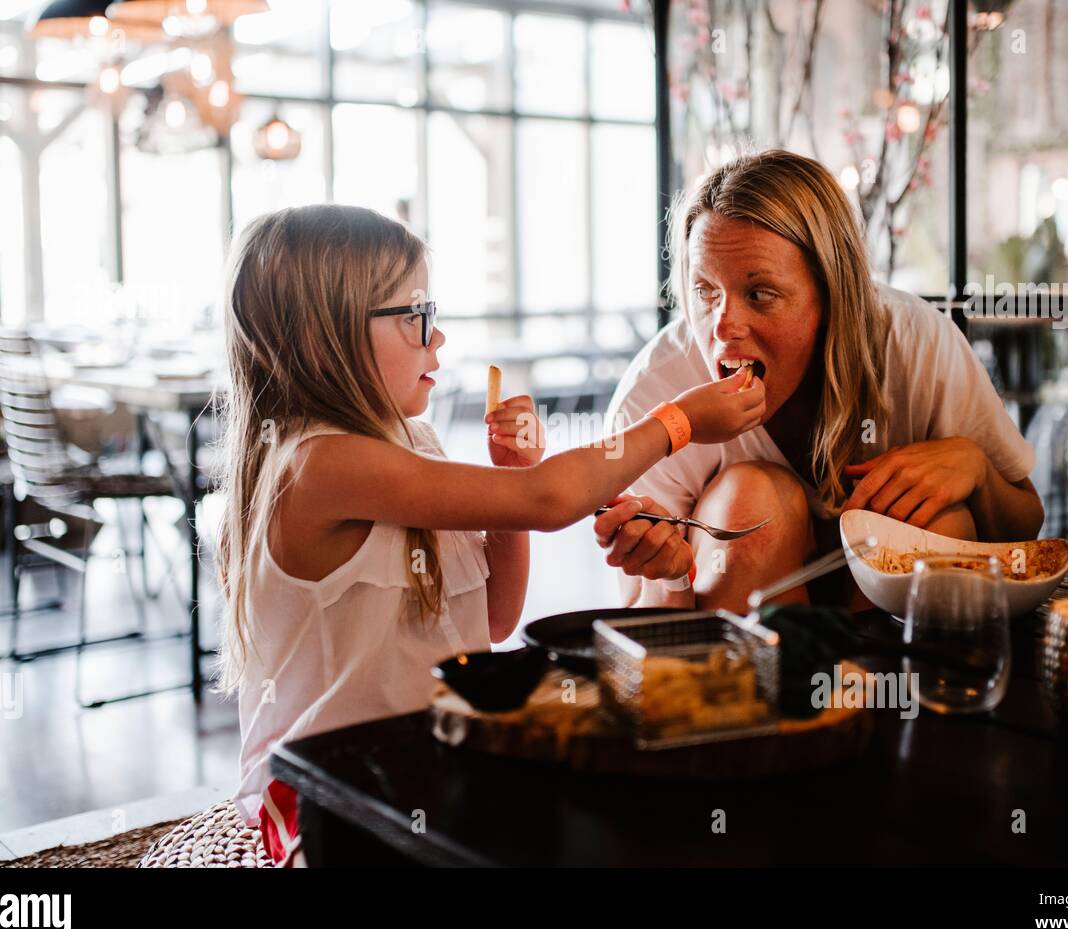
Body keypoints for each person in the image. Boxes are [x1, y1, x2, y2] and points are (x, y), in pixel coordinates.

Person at [214, 204, 766, 863]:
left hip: (428, 762)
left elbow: (498, 619)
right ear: (321, 336)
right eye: (415, 317)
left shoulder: (414, 441)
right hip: (328, 796)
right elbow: (551, 498)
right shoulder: (315, 465)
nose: (437, 339)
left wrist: (515, 473)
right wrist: (676, 422)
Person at [596, 149, 1043, 613]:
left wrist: (977, 469)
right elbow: (640, 626)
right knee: (751, 503)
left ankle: (879, 684)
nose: (722, 326)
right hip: (737, 644)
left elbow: (1024, 531)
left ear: (832, 294)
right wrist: (668, 575)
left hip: (889, 649)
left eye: (760, 293)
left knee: (941, 521)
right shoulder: (657, 389)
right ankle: (781, 681)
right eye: (706, 291)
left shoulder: (915, 340)